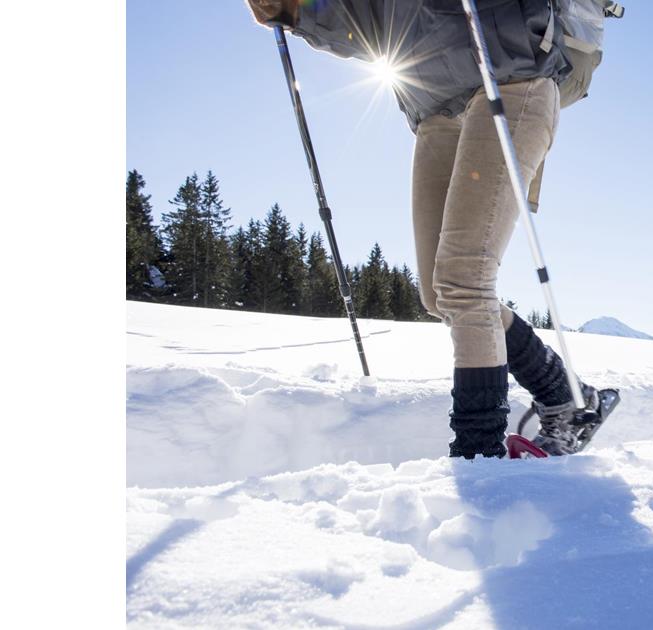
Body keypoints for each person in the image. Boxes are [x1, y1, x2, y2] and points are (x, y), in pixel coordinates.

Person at [246, 0, 617, 458]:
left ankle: (478, 458)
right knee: (439, 294)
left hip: (510, 78)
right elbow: (367, 25)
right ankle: (567, 396)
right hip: (434, 110)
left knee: (465, 280)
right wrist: (296, 11)